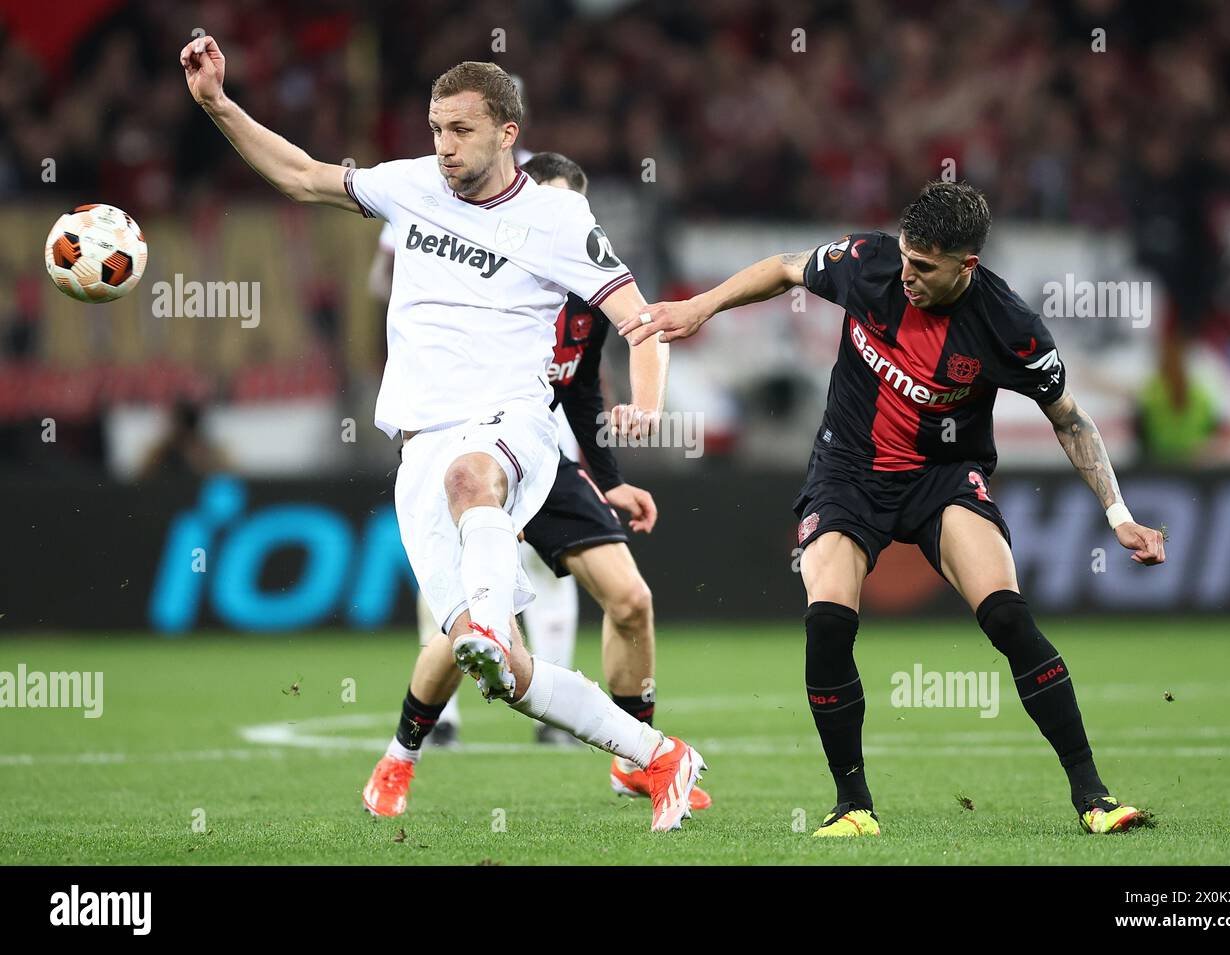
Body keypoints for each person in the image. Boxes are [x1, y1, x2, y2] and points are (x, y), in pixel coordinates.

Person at [181, 37, 705, 832]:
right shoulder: (411, 187)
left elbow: (642, 321)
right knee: (492, 666)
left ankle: (492, 625)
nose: (444, 146)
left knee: (476, 484)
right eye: (435, 129)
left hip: (510, 423)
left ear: (506, 131)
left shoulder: (557, 216)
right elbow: (301, 175)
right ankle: (659, 754)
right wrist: (220, 104)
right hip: (419, 445)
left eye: (460, 130)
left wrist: (649, 401)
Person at [624, 180, 1165, 837]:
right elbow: (783, 268)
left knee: (1009, 619)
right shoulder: (870, 262)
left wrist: (1118, 513)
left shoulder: (1009, 326)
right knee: (827, 621)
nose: (906, 274)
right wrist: (701, 309)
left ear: (966, 266)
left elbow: (1071, 420)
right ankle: (853, 805)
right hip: (847, 472)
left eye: (925, 267)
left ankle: (1094, 796)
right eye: (906, 257)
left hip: (943, 477)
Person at [369, 151, 711, 812]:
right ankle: (401, 755)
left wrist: (608, 479)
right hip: (474, 451)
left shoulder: (584, 291)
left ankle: (635, 760)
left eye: (568, 211)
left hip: (544, 460)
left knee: (631, 599)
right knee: (465, 632)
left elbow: (583, 389)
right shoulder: (486, 281)